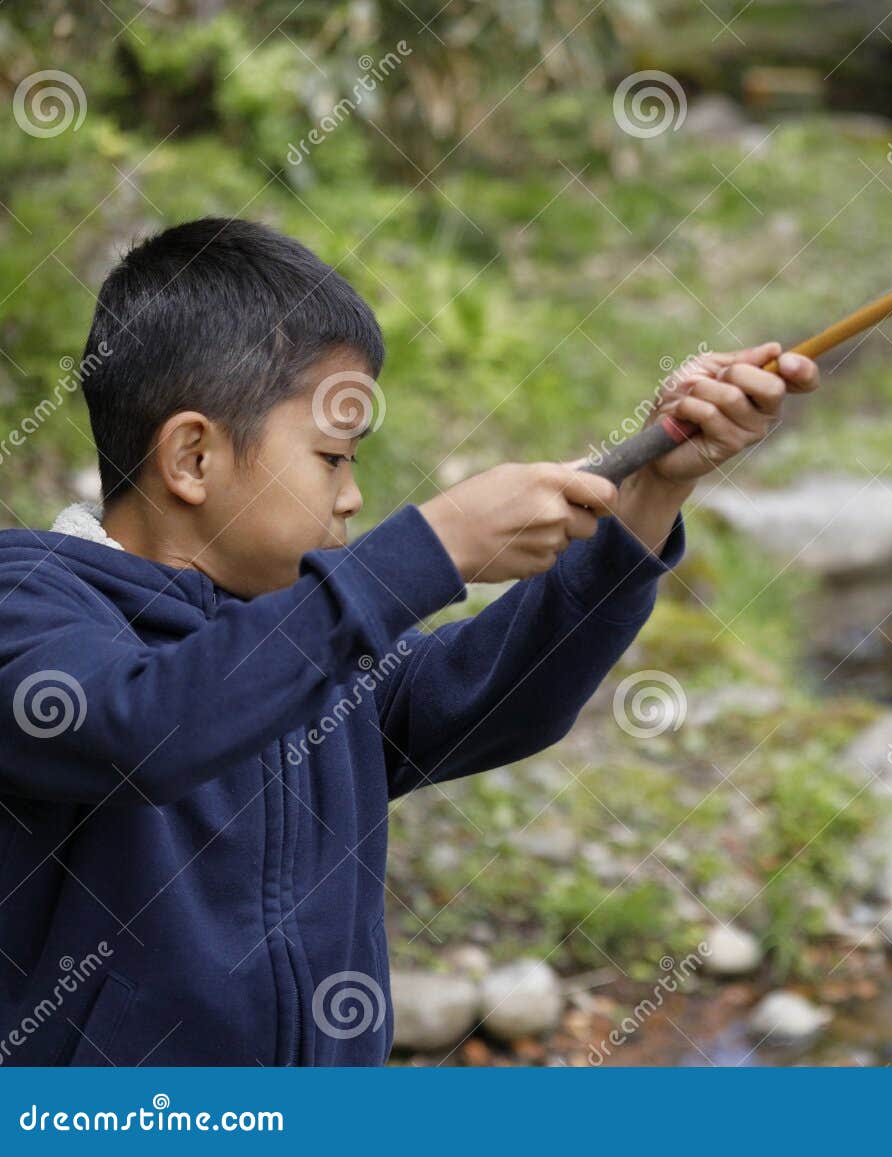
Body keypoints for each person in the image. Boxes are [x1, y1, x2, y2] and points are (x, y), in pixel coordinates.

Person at [0, 217, 818, 1065]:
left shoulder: (309, 645)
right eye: (332, 458)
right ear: (193, 458)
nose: (353, 496)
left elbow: (496, 692)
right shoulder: (27, 604)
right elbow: (142, 726)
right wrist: (432, 547)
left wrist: (648, 492)